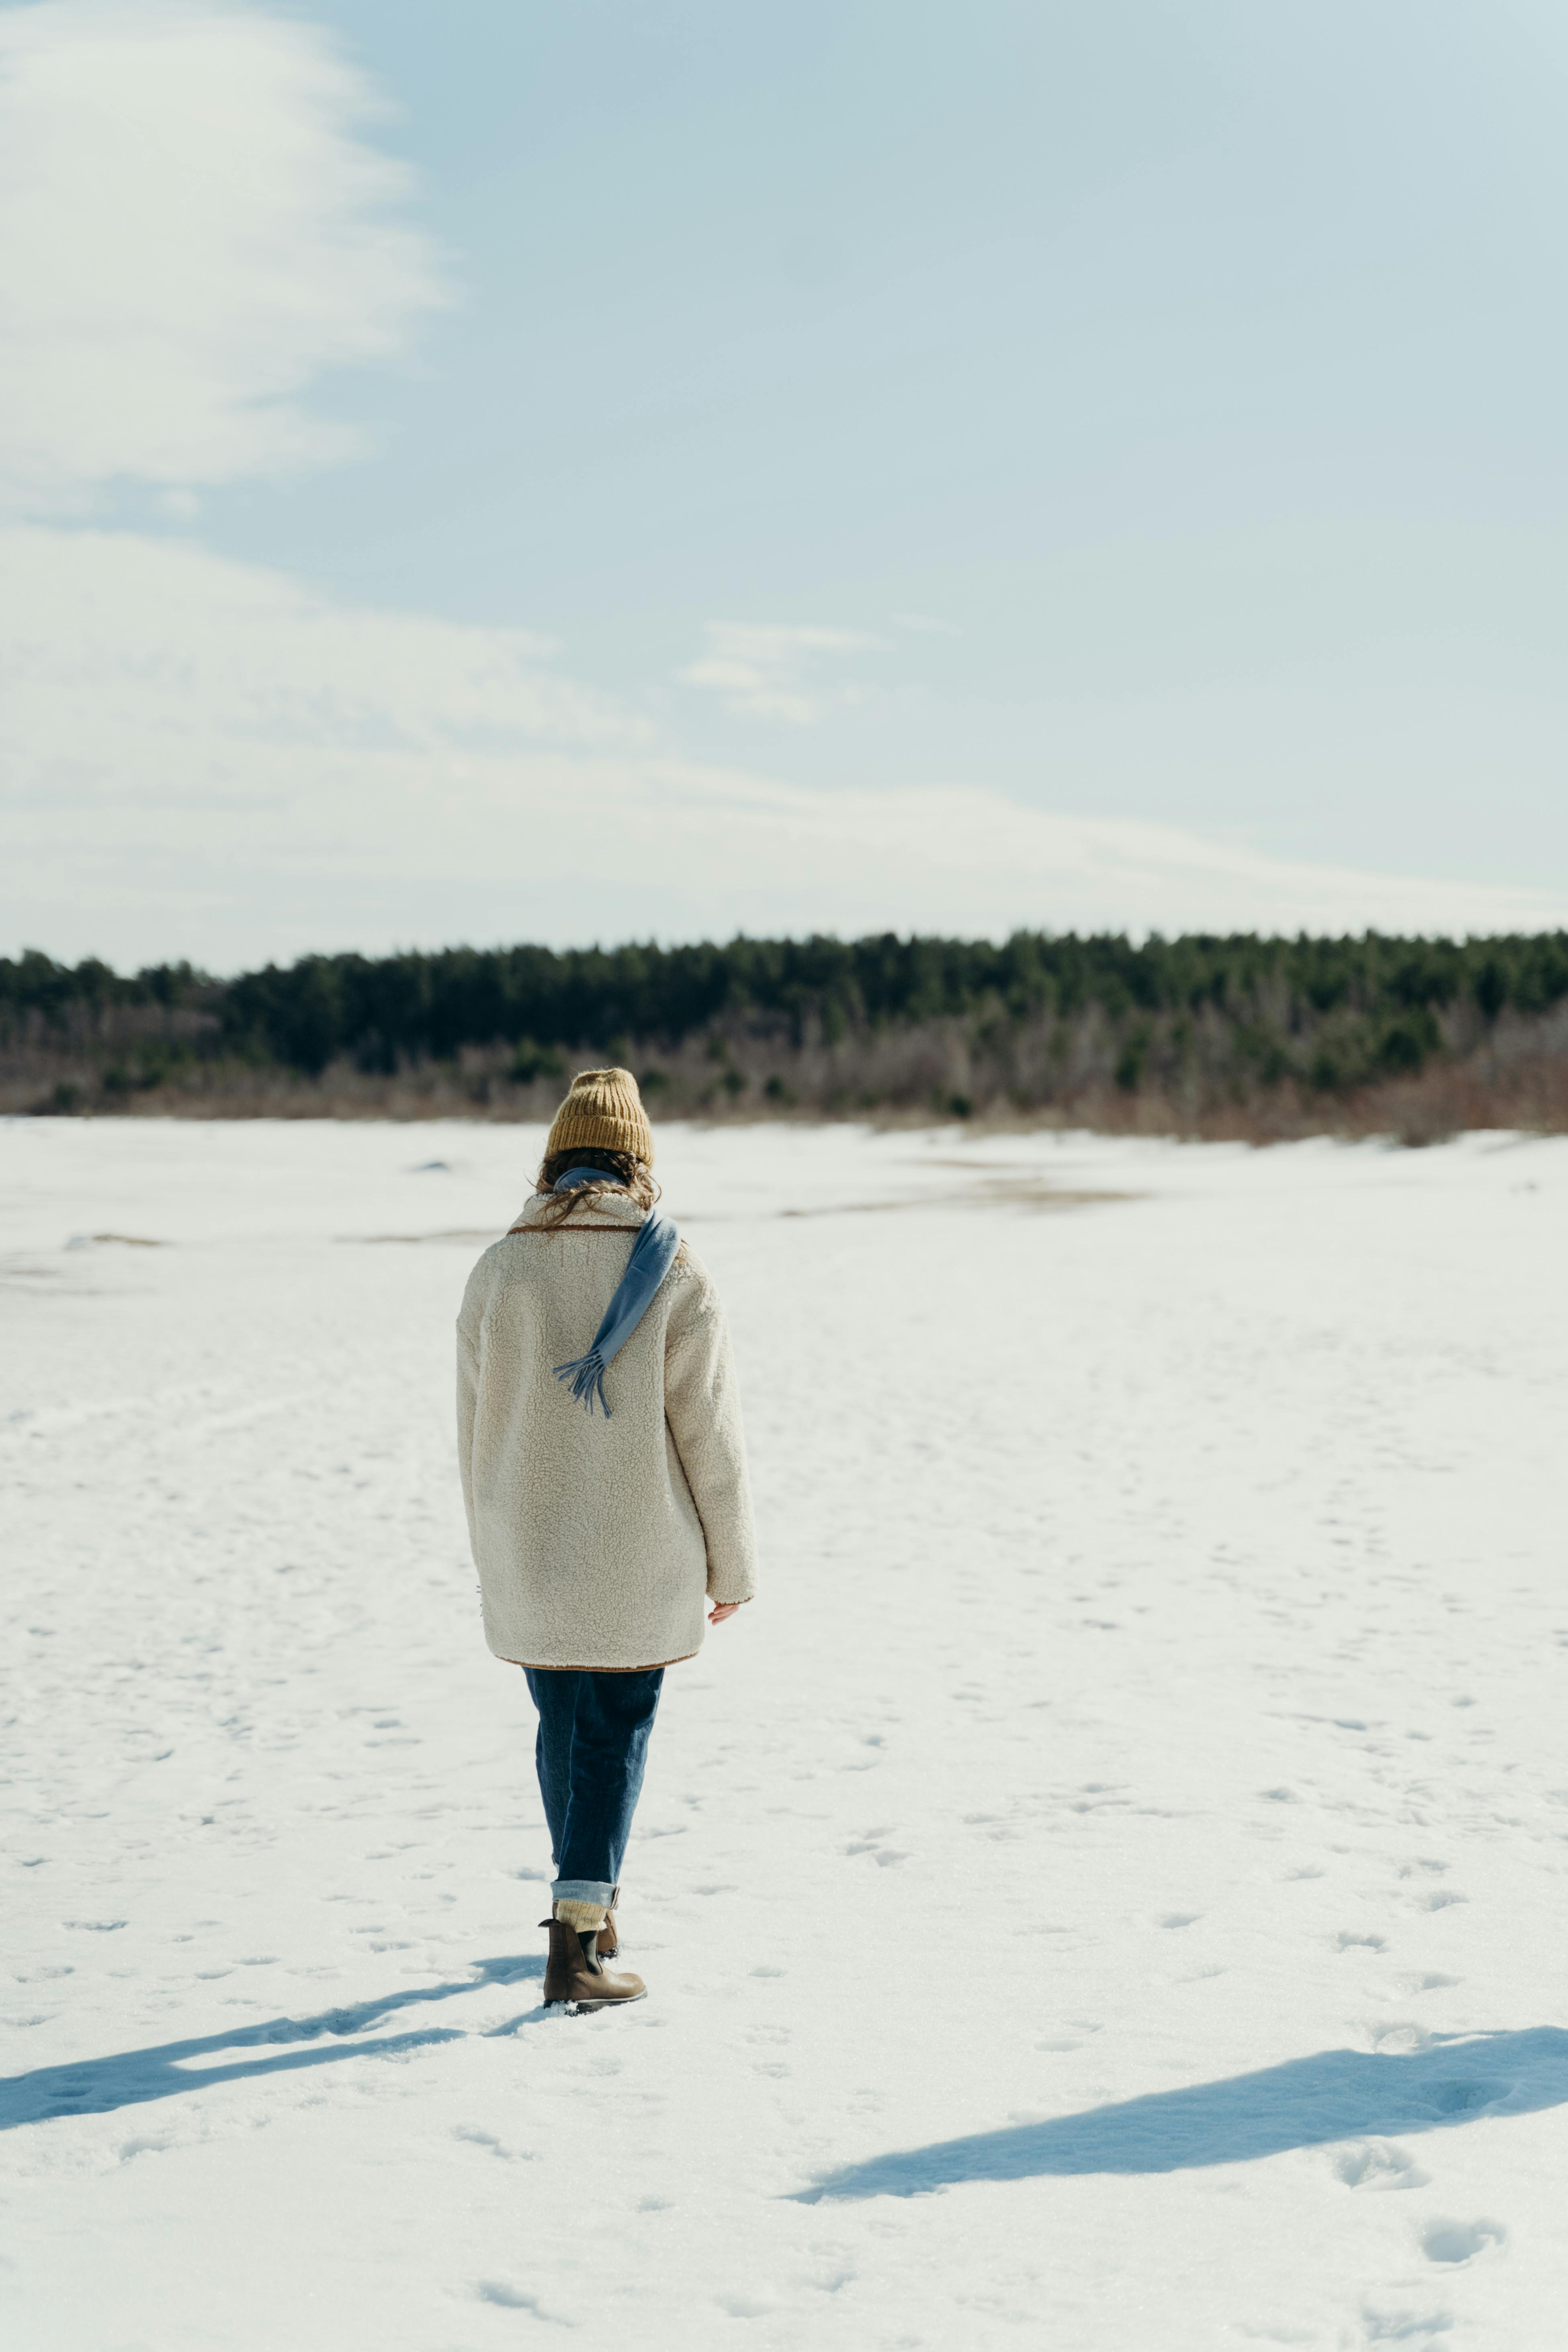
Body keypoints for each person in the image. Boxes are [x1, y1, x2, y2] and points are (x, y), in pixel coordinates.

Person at [456, 1067, 757, 2012]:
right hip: (639, 1552)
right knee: (616, 1731)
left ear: (555, 1155)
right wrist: (732, 1560)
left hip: (529, 1548)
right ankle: (579, 1943)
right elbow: (707, 1431)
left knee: (562, 1723)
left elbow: (474, 1426)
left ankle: (585, 1899)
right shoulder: (672, 1264)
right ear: (639, 1160)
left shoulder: (501, 1264)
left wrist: (493, 1547)